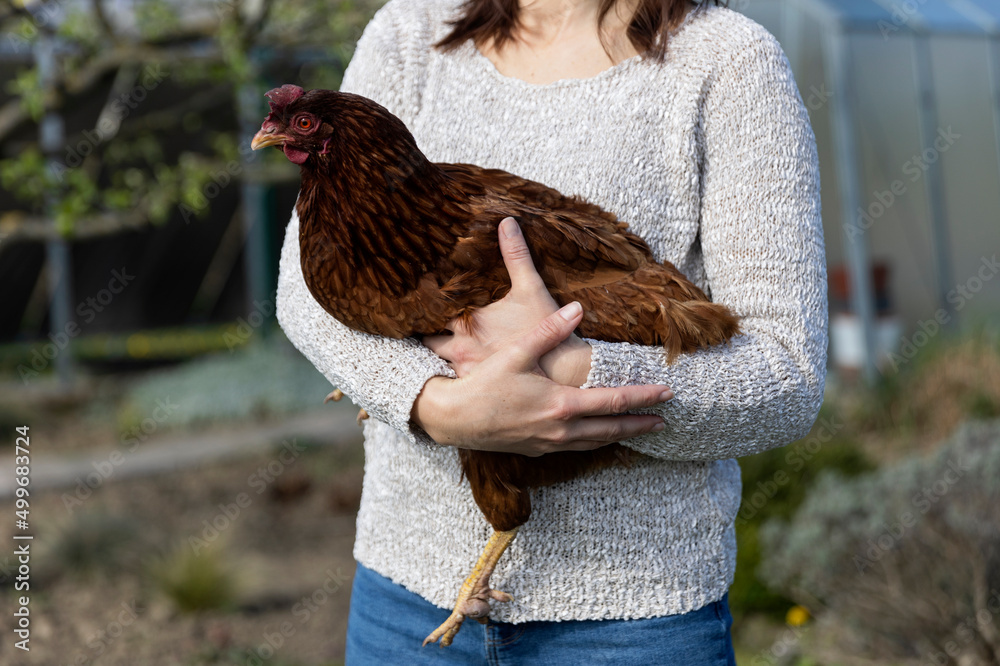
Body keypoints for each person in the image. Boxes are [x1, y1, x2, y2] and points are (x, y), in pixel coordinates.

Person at [275, 0, 827, 662]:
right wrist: (433, 401)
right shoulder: (412, 30)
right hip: (404, 606)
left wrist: (572, 372)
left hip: (631, 624)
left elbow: (786, 375)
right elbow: (304, 286)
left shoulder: (729, 62)